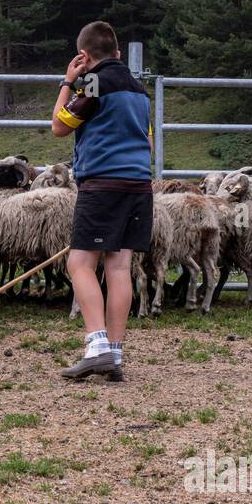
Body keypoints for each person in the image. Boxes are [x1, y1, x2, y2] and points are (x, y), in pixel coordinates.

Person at [50, 21, 153, 381]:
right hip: (139, 185)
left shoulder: (93, 83)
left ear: (85, 55)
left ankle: (96, 347)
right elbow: (148, 142)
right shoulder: (140, 91)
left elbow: (60, 125)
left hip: (103, 185)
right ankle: (116, 354)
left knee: (79, 263)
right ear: (119, 54)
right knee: (119, 268)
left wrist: (67, 81)